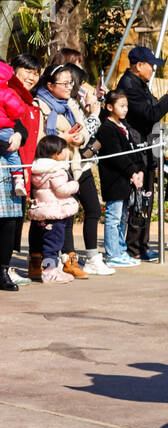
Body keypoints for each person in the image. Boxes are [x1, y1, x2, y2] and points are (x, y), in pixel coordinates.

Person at [36, 63, 104, 278]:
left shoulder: (70, 105)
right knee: (49, 221)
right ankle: (45, 265)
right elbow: (39, 141)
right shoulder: (40, 105)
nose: (69, 87)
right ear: (50, 84)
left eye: (70, 83)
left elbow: (83, 131)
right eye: (64, 83)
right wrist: (62, 139)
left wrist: (78, 137)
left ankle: (67, 260)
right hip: (51, 171)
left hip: (74, 166)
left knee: (70, 214)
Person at [117, 45, 168, 261]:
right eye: (151, 65)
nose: (154, 69)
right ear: (139, 65)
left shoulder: (139, 84)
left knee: (146, 200)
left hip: (146, 151)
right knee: (138, 200)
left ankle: (142, 246)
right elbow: (149, 114)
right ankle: (133, 247)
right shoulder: (129, 85)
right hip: (136, 152)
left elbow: (153, 107)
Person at [0, 55, 41, 281]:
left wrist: (17, 134)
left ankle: (4, 269)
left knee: (10, 221)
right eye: (27, 70)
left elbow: (21, 127)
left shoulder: (9, 95)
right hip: (7, 161)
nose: (32, 76)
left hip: (12, 168)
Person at [96, 89, 144, 268]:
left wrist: (139, 170)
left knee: (123, 217)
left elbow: (133, 151)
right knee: (113, 217)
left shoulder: (123, 126)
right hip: (114, 179)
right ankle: (112, 253)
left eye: (126, 106)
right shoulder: (107, 128)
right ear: (109, 107)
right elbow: (117, 155)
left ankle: (120, 248)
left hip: (126, 180)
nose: (125, 109)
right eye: (121, 106)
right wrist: (132, 172)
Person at [27, 134, 78, 284]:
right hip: (55, 212)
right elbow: (61, 190)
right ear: (56, 154)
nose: (66, 152)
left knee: (40, 241)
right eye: (64, 150)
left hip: (42, 211)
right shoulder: (57, 170)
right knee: (53, 243)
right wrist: (74, 185)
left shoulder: (37, 169)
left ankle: (40, 268)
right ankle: (50, 272)